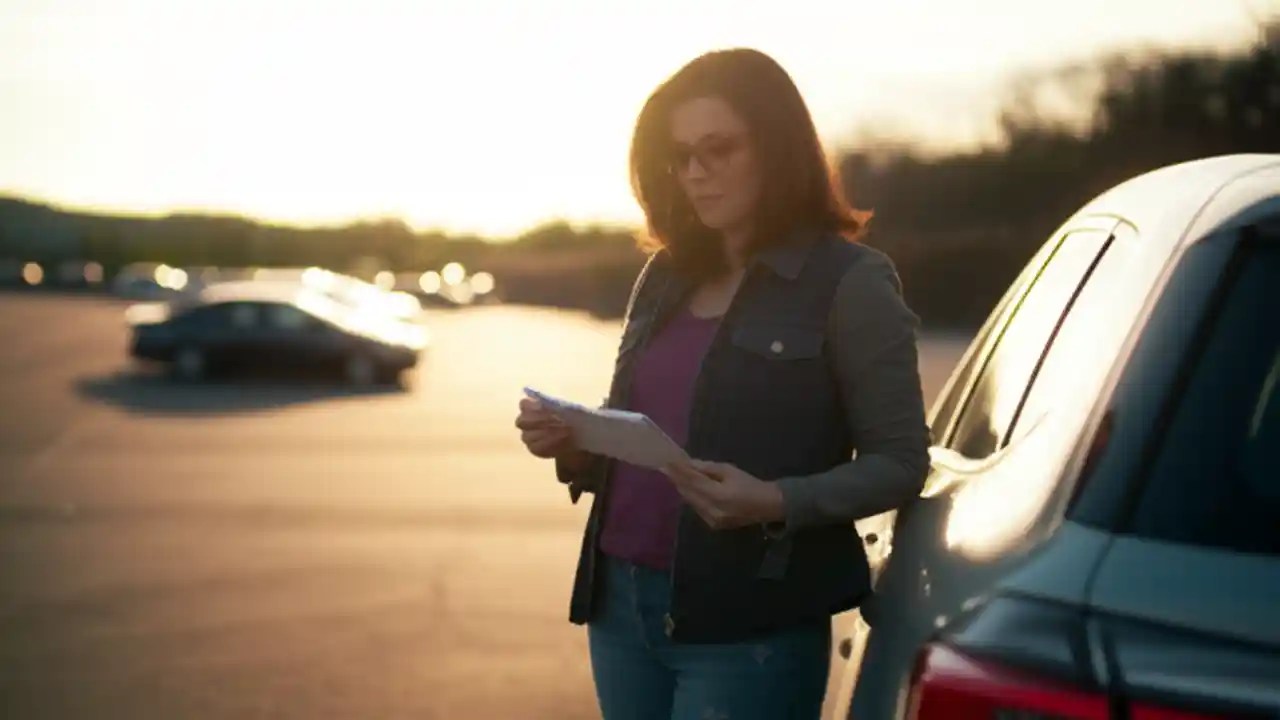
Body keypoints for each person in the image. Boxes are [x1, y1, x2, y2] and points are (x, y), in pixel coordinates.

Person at [515, 47, 930, 720]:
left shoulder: (851, 282)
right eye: (680, 157)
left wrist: (774, 500)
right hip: (619, 603)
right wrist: (576, 442)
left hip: (750, 628)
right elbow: (638, 426)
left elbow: (902, 463)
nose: (696, 175)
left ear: (777, 148)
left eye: (718, 149)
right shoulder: (664, 275)